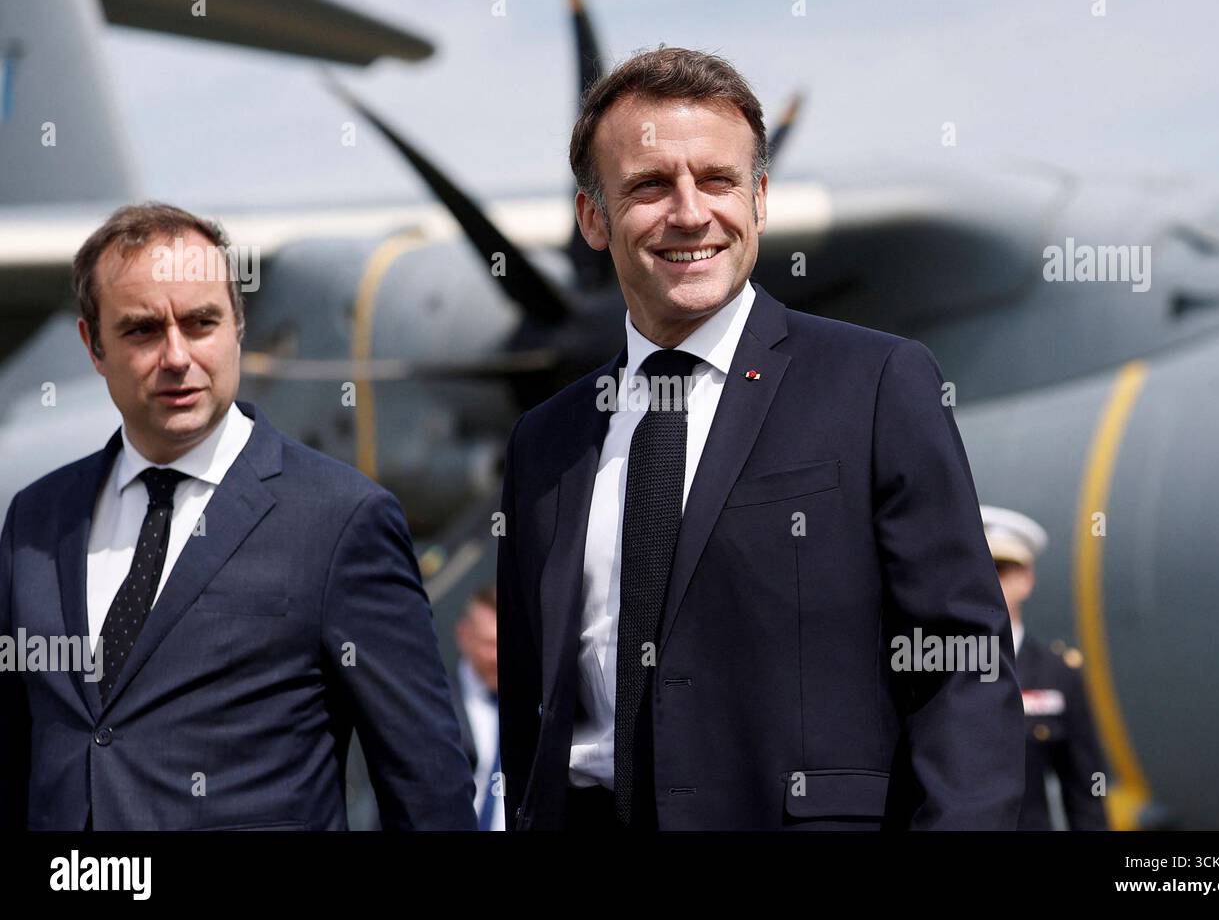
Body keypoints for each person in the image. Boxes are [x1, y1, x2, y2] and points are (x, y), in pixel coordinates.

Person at [496, 47, 1023, 830]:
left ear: (761, 198)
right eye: (648, 186)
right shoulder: (548, 440)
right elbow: (530, 707)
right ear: (593, 219)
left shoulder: (876, 385)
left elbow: (961, 665)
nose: (689, 212)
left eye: (717, 180)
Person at [0, 202, 476, 830]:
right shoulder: (37, 520)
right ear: (94, 346)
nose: (176, 356)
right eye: (143, 330)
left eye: (200, 323)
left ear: (238, 326)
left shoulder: (339, 521)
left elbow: (427, 786)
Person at [981, 504, 1109, 830]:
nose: (987, 581)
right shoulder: (932, 664)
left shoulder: (1057, 674)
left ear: (1025, 579)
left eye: (999, 569)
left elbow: (1084, 789)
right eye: (978, 568)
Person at [449, 584, 503, 831]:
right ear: (464, 636)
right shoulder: (439, 707)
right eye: (489, 643)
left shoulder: (538, 694)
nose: (498, 655)